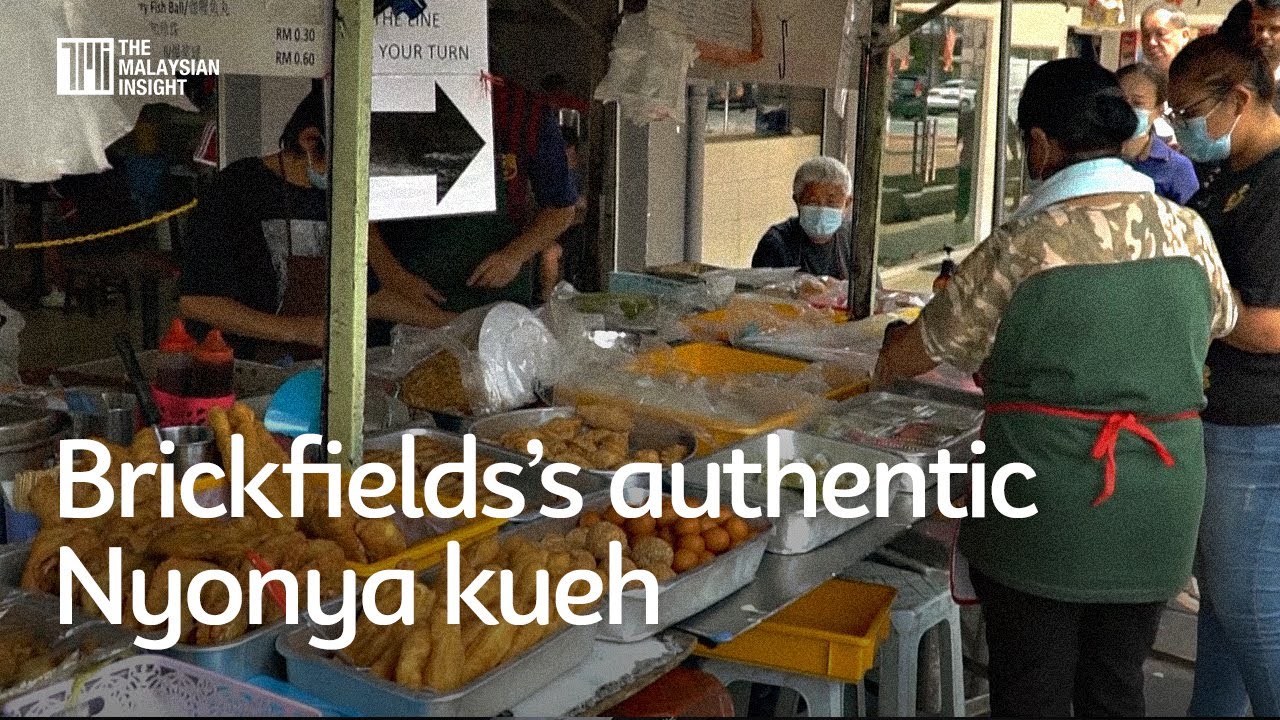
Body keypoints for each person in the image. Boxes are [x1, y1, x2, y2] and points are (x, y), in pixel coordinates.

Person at [877, 58, 1236, 717]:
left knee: (1033, 688)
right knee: (1116, 684)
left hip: (1043, 501)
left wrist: (886, 347)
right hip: (1159, 504)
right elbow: (1222, 319)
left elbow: (917, 351)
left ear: (1039, 144)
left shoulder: (1023, 244)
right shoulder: (1189, 231)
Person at [1169, 35, 1280, 717]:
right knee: (1224, 612)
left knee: (1253, 609)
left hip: (1254, 427)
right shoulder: (1233, 174)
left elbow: (1271, 326)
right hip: (1220, 417)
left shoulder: (1275, 187)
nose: (1179, 129)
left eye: (1187, 113)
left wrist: (1199, 305)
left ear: (1239, 99)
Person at [179, 89, 451, 362]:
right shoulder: (236, 189)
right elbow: (197, 302)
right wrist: (299, 330)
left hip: (330, 371)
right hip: (244, 371)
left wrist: (457, 324)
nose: (357, 173)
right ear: (309, 140)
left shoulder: (349, 199)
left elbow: (376, 299)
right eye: (349, 162)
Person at [378, 78, 578, 313]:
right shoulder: (393, 96)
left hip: (494, 301)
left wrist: (513, 256)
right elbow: (353, 202)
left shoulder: (522, 110)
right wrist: (391, 276)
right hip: (401, 294)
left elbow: (561, 209)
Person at [751, 157, 854, 278]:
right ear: (797, 201)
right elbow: (763, 294)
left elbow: (871, 290)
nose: (822, 210)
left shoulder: (854, 239)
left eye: (831, 202)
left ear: (847, 203)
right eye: (812, 202)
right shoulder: (775, 244)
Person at [1117, 63, 1199, 203]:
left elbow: (1189, 220)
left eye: (1137, 103)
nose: (1125, 109)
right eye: (1120, 100)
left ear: (1158, 110)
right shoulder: (1089, 155)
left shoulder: (1177, 167)